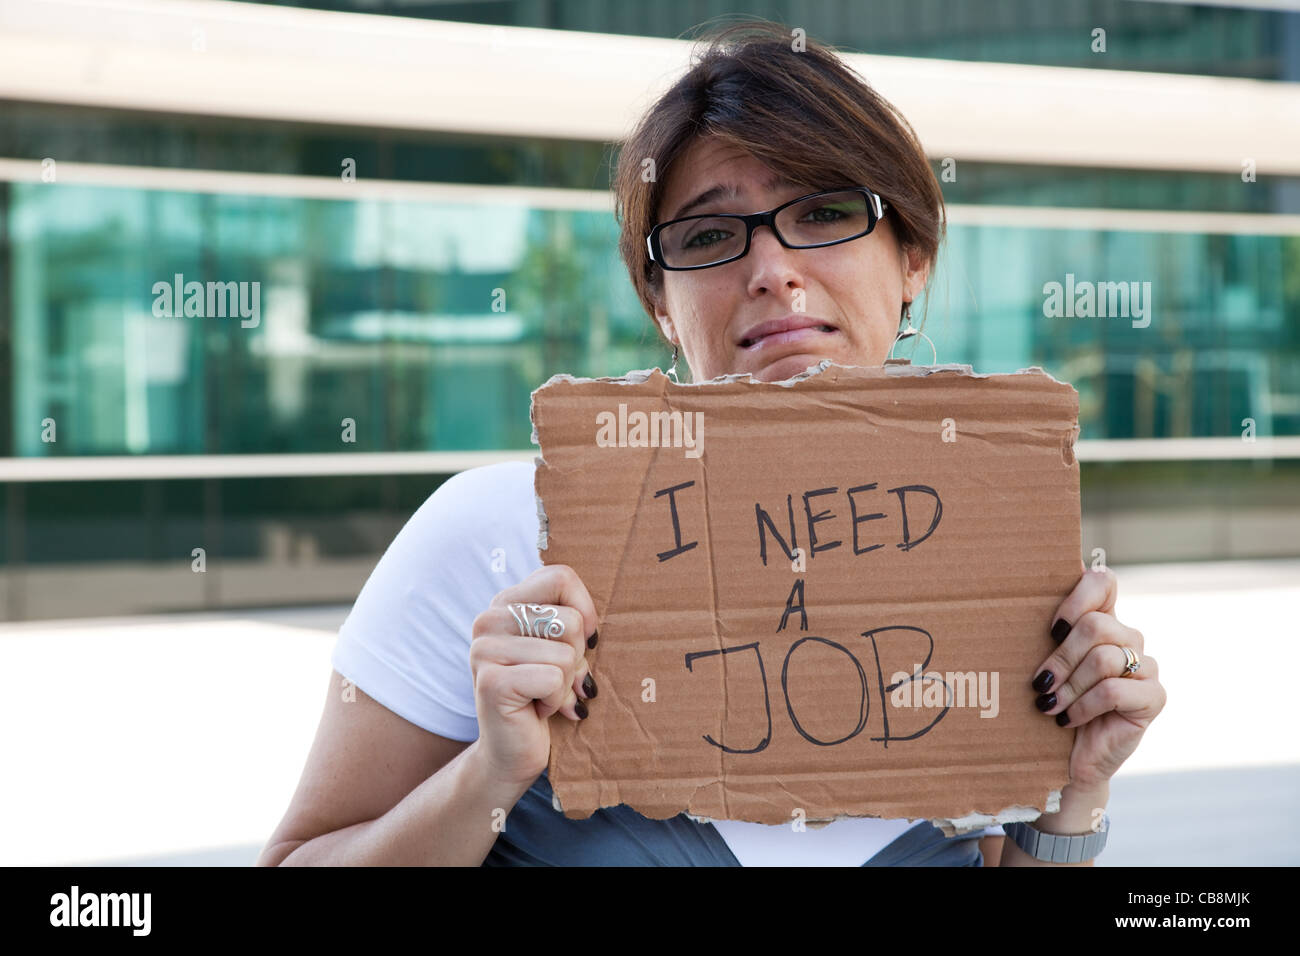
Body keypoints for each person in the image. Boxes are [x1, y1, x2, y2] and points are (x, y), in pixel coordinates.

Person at [257, 20, 1166, 867]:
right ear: (660, 301)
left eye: (823, 213)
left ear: (912, 258)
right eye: (708, 234)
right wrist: (489, 777)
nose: (771, 269)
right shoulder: (496, 534)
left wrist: (1071, 799)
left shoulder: (988, 539)